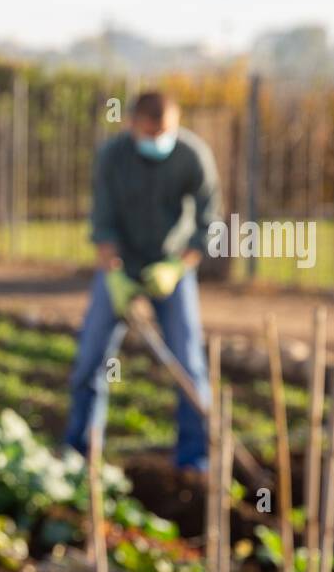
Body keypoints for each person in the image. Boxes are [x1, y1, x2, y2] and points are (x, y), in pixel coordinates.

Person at [64, 91, 223, 472]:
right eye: (150, 133)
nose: (158, 141)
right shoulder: (112, 157)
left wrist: (177, 268)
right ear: (132, 123)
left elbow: (207, 225)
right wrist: (115, 274)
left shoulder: (192, 156)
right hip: (120, 266)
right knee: (92, 357)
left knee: (188, 361)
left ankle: (194, 458)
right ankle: (80, 451)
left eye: (165, 132)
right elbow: (102, 222)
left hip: (171, 268)